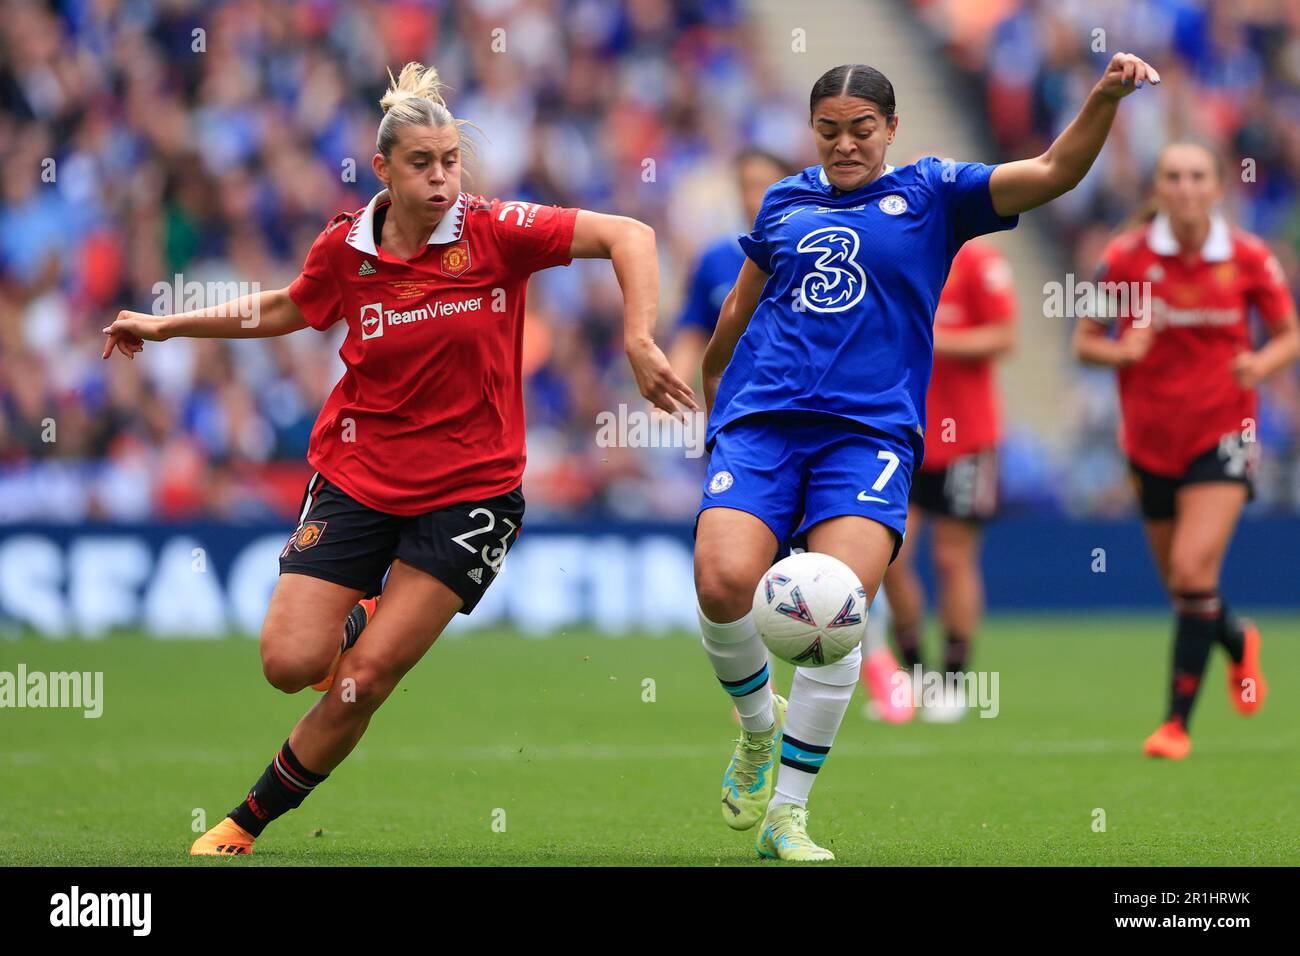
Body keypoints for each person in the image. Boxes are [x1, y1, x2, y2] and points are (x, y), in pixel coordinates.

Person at [102, 62, 694, 855]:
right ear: (383, 169)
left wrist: (637, 336)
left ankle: (246, 821)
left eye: (452, 161)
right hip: (358, 476)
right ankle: (359, 609)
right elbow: (288, 305)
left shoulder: (494, 230)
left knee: (362, 680)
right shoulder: (346, 249)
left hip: (469, 496)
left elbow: (632, 234)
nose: (444, 178)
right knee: (289, 663)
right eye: (424, 164)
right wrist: (169, 325)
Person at [696, 53, 1161, 861]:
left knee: (838, 612)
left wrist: (1104, 98)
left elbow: (1054, 171)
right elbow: (742, 302)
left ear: (892, 129)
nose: (844, 146)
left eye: (861, 131)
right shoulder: (783, 200)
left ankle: (788, 816)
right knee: (720, 580)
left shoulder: (935, 194)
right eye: (829, 131)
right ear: (813, 131)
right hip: (763, 418)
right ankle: (757, 729)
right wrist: (709, 379)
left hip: (867, 433)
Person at [1072, 141, 1298, 761]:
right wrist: (1122, 352)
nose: (1186, 186)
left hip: (1225, 432)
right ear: (1158, 188)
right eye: (1173, 175)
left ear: (1218, 186)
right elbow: (1085, 340)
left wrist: (1261, 363)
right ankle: (1237, 637)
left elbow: (1289, 335)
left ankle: (1175, 724)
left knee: (1195, 573)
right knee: (1183, 585)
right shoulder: (1122, 258)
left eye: (1198, 175)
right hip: (1149, 441)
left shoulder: (1250, 256)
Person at [875, 237, 1017, 722]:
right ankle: (915, 676)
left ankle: (953, 680)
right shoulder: (893, 253)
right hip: (901, 435)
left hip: (968, 441)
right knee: (889, 555)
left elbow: (1003, 336)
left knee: (952, 556)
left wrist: (930, 337)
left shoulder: (979, 262)